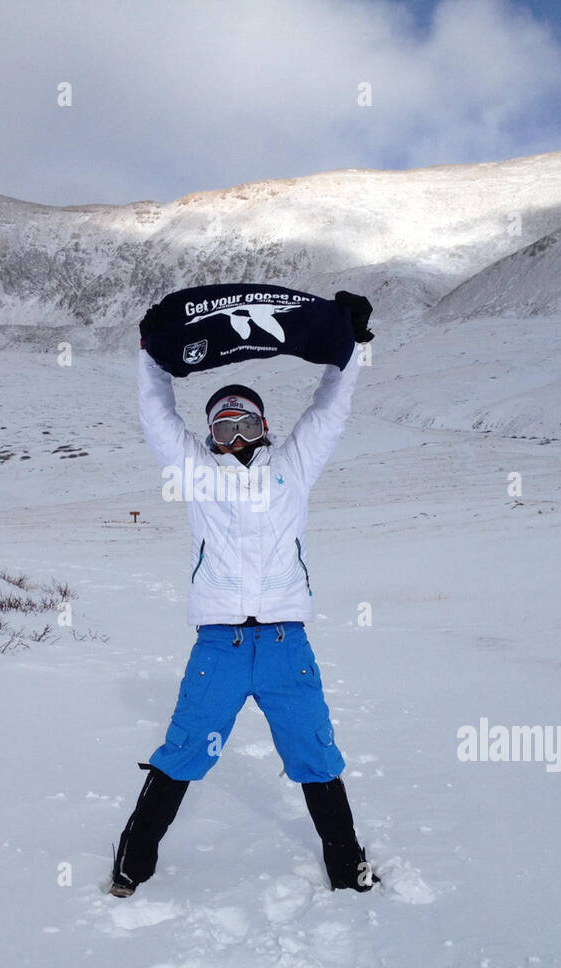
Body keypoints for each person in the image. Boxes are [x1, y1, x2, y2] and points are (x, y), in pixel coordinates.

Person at [109, 294, 377, 897]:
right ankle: (132, 864)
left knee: (315, 753)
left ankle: (348, 867)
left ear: (263, 426)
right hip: (220, 647)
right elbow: (156, 414)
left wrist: (353, 345)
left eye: (246, 424)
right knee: (182, 751)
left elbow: (332, 406)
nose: (235, 436)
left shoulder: (293, 468)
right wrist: (151, 353)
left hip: (287, 643)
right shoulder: (196, 474)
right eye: (223, 427)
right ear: (210, 434)